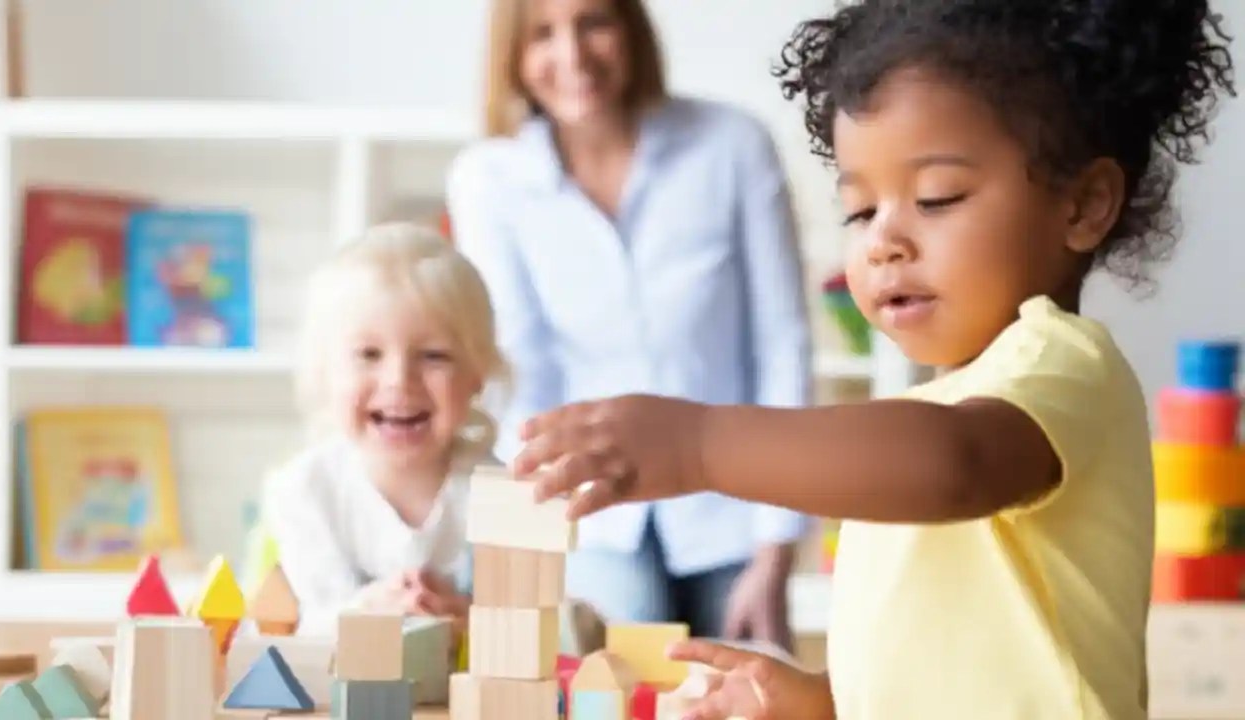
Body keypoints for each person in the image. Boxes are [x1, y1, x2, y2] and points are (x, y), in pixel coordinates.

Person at [510, 0, 1236, 717]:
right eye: (860, 212)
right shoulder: (923, 421)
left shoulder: (1061, 367)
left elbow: (955, 467)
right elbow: (928, 658)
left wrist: (700, 444)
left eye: (937, 197)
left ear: (1083, 204)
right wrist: (821, 698)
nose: (883, 241)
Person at [447, 0, 814, 648]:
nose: (573, 55)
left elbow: (782, 344)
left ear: (631, 29)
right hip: (592, 513)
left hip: (736, 506)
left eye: (594, 23)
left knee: (749, 677)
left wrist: (775, 551)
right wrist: (539, 539)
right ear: (513, 53)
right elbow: (517, 371)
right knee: (615, 668)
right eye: (542, 34)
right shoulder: (488, 180)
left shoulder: (732, 146)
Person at [259, 222, 505, 643]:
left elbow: (538, 631)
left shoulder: (503, 495)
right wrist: (369, 613)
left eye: (434, 356)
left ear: (477, 374)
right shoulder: (304, 491)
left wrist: (471, 620)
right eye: (368, 354)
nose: (398, 380)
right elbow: (298, 631)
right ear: (325, 373)